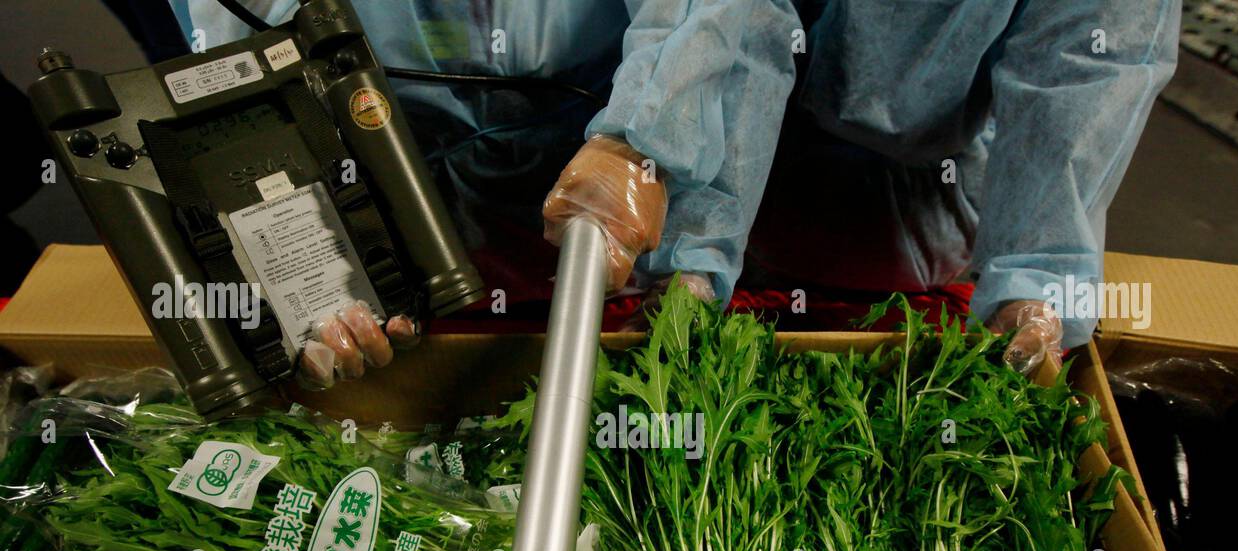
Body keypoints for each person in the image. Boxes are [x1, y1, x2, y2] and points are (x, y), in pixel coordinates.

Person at [167, 0, 799, 388]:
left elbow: (723, 18)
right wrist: (306, 270)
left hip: (617, 198)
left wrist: (648, 152)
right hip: (412, 222)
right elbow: (252, 78)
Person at [747, 0, 1180, 374]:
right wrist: (699, 232)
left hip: (939, 219)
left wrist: (1035, 281)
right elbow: (727, 24)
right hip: (753, 195)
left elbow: (1082, 71)